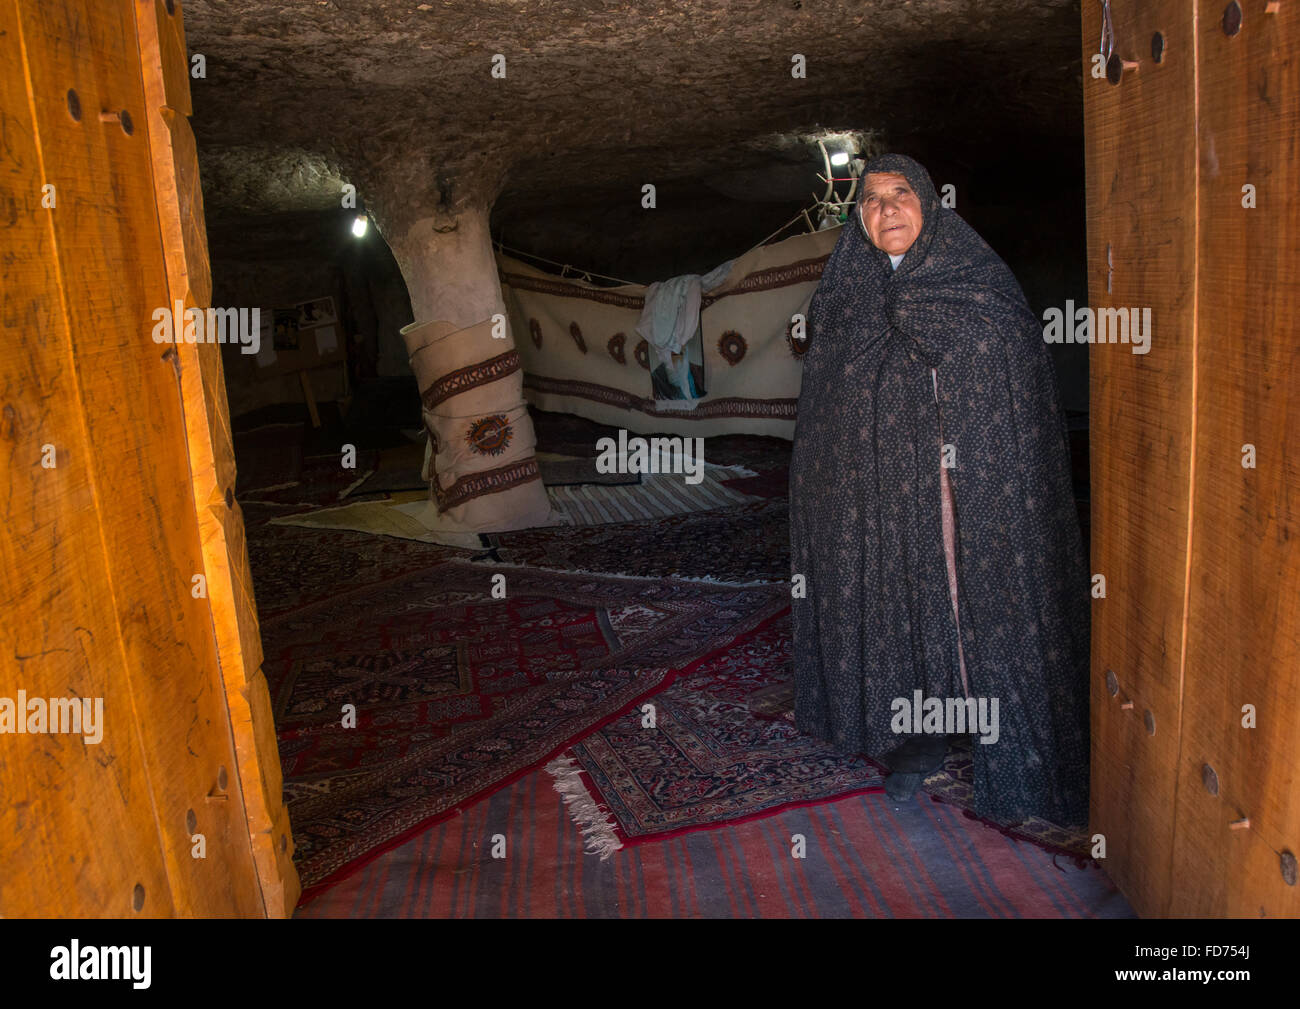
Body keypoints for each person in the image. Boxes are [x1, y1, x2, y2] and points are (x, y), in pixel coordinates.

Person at [789, 152, 1089, 828]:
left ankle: (1013, 741)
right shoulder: (842, 300)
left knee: (971, 599)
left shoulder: (979, 285)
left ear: (930, 204)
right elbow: (829, 417)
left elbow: (1008, 377)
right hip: (882, 501)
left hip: (969, 494)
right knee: (896, 598)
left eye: (901, 193)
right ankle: (914, 736)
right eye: (869, 199)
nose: (885, 208)